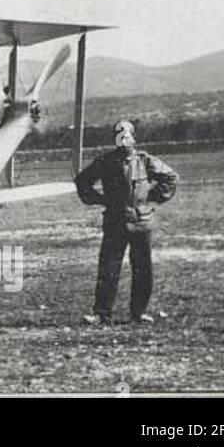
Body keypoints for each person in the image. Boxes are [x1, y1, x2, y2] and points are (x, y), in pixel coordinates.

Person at [74, 120, 178, 325]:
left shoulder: (145, 161)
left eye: (127, 136)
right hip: (115, 223)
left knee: (143, 269)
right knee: (109, 269)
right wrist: (101, 199)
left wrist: (151, 197)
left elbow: (171, 177)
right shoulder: (105, 162)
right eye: (120, 136)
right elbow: (82, 181)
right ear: (115, 140)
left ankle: (139, 312)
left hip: (142, 223)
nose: (124, 140)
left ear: (134, 138)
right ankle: (102, 314)